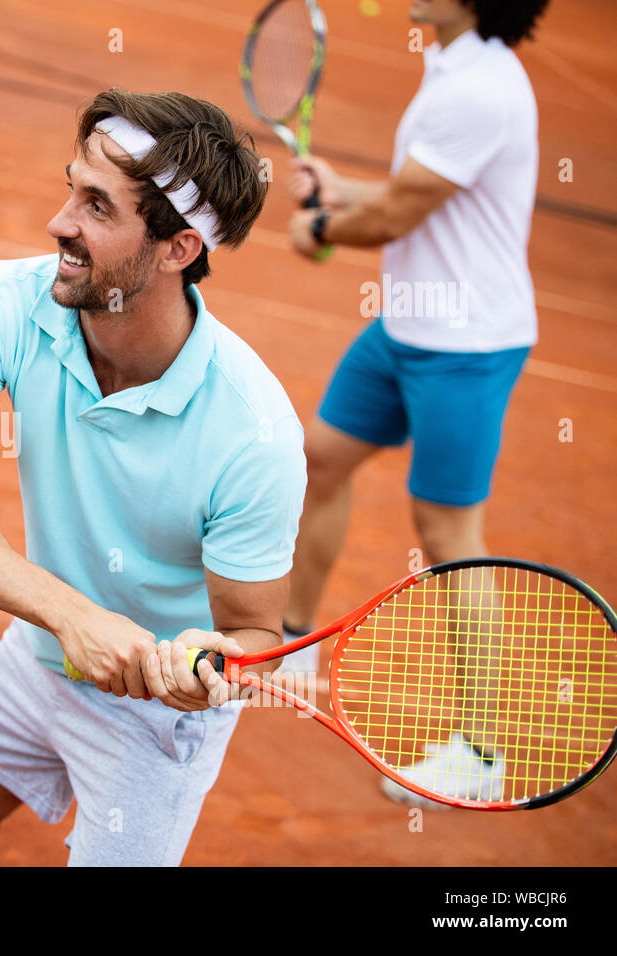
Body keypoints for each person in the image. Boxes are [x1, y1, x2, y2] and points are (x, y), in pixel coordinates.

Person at [0, 89, 306, 865]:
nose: (59, 223)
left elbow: (254, 635)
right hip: (43, 647)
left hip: (158, 720)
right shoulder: (3, 303)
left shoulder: (255, 435)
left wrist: (210, 669)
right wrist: (71, 617)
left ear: (177, 249)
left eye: (98, 208)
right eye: (71, 188)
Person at [282, 0, 550, 804]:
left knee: (447, 534)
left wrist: (322, 224)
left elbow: (399, 213)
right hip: (406, 327)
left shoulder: (480, 88)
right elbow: (409, 190)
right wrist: (341, 187)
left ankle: (480, 756)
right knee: (321, 460)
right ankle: (292, 644)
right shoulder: (454, 64)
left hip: (465, 347)